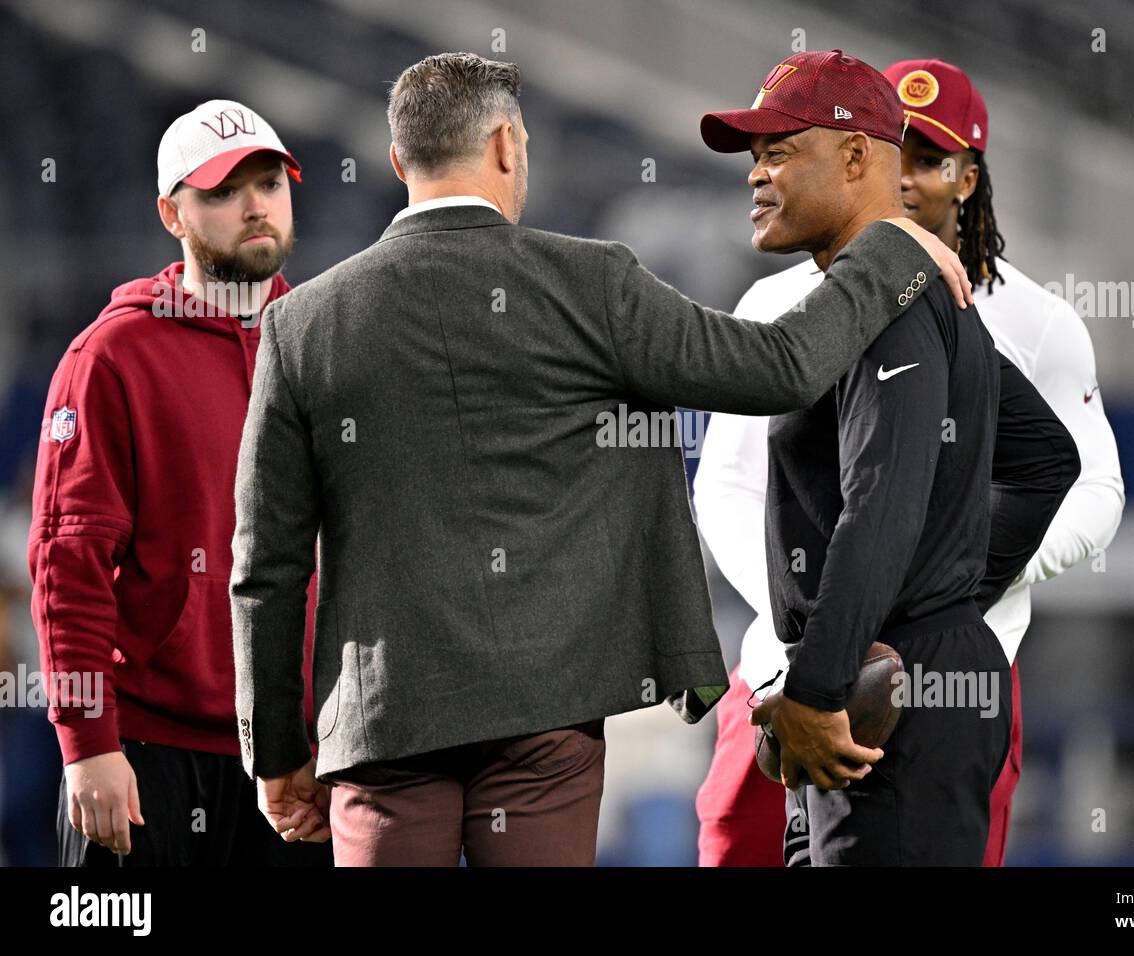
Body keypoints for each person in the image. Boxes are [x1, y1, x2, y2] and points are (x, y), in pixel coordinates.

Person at [230, 51, 973, 867]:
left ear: (399, 160)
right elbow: (781, 367)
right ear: (509, 145)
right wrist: (892, 249)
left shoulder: (301, 326)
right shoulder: (593, 285)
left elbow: (266, 566)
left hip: (383, 722)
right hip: (547, 714)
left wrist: (276, 752)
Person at [693, 58, 1124, 867]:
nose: (755, 175)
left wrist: (849, 662)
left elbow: (885, 504)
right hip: (859, 679)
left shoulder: (899, 303)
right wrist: (932, 597)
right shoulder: (916, 287)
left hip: (872, 700)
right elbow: (1042, 460)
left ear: (859, 160)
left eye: (779, 152)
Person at [29, 99, 331, 866]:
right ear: (173, 213)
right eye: (223, 191)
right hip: (143, 754)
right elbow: (70, 562)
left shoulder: (328, 346)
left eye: (269, 182)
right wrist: (86, 745)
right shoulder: (111, 356)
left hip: (297, 762)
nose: (255, 205)